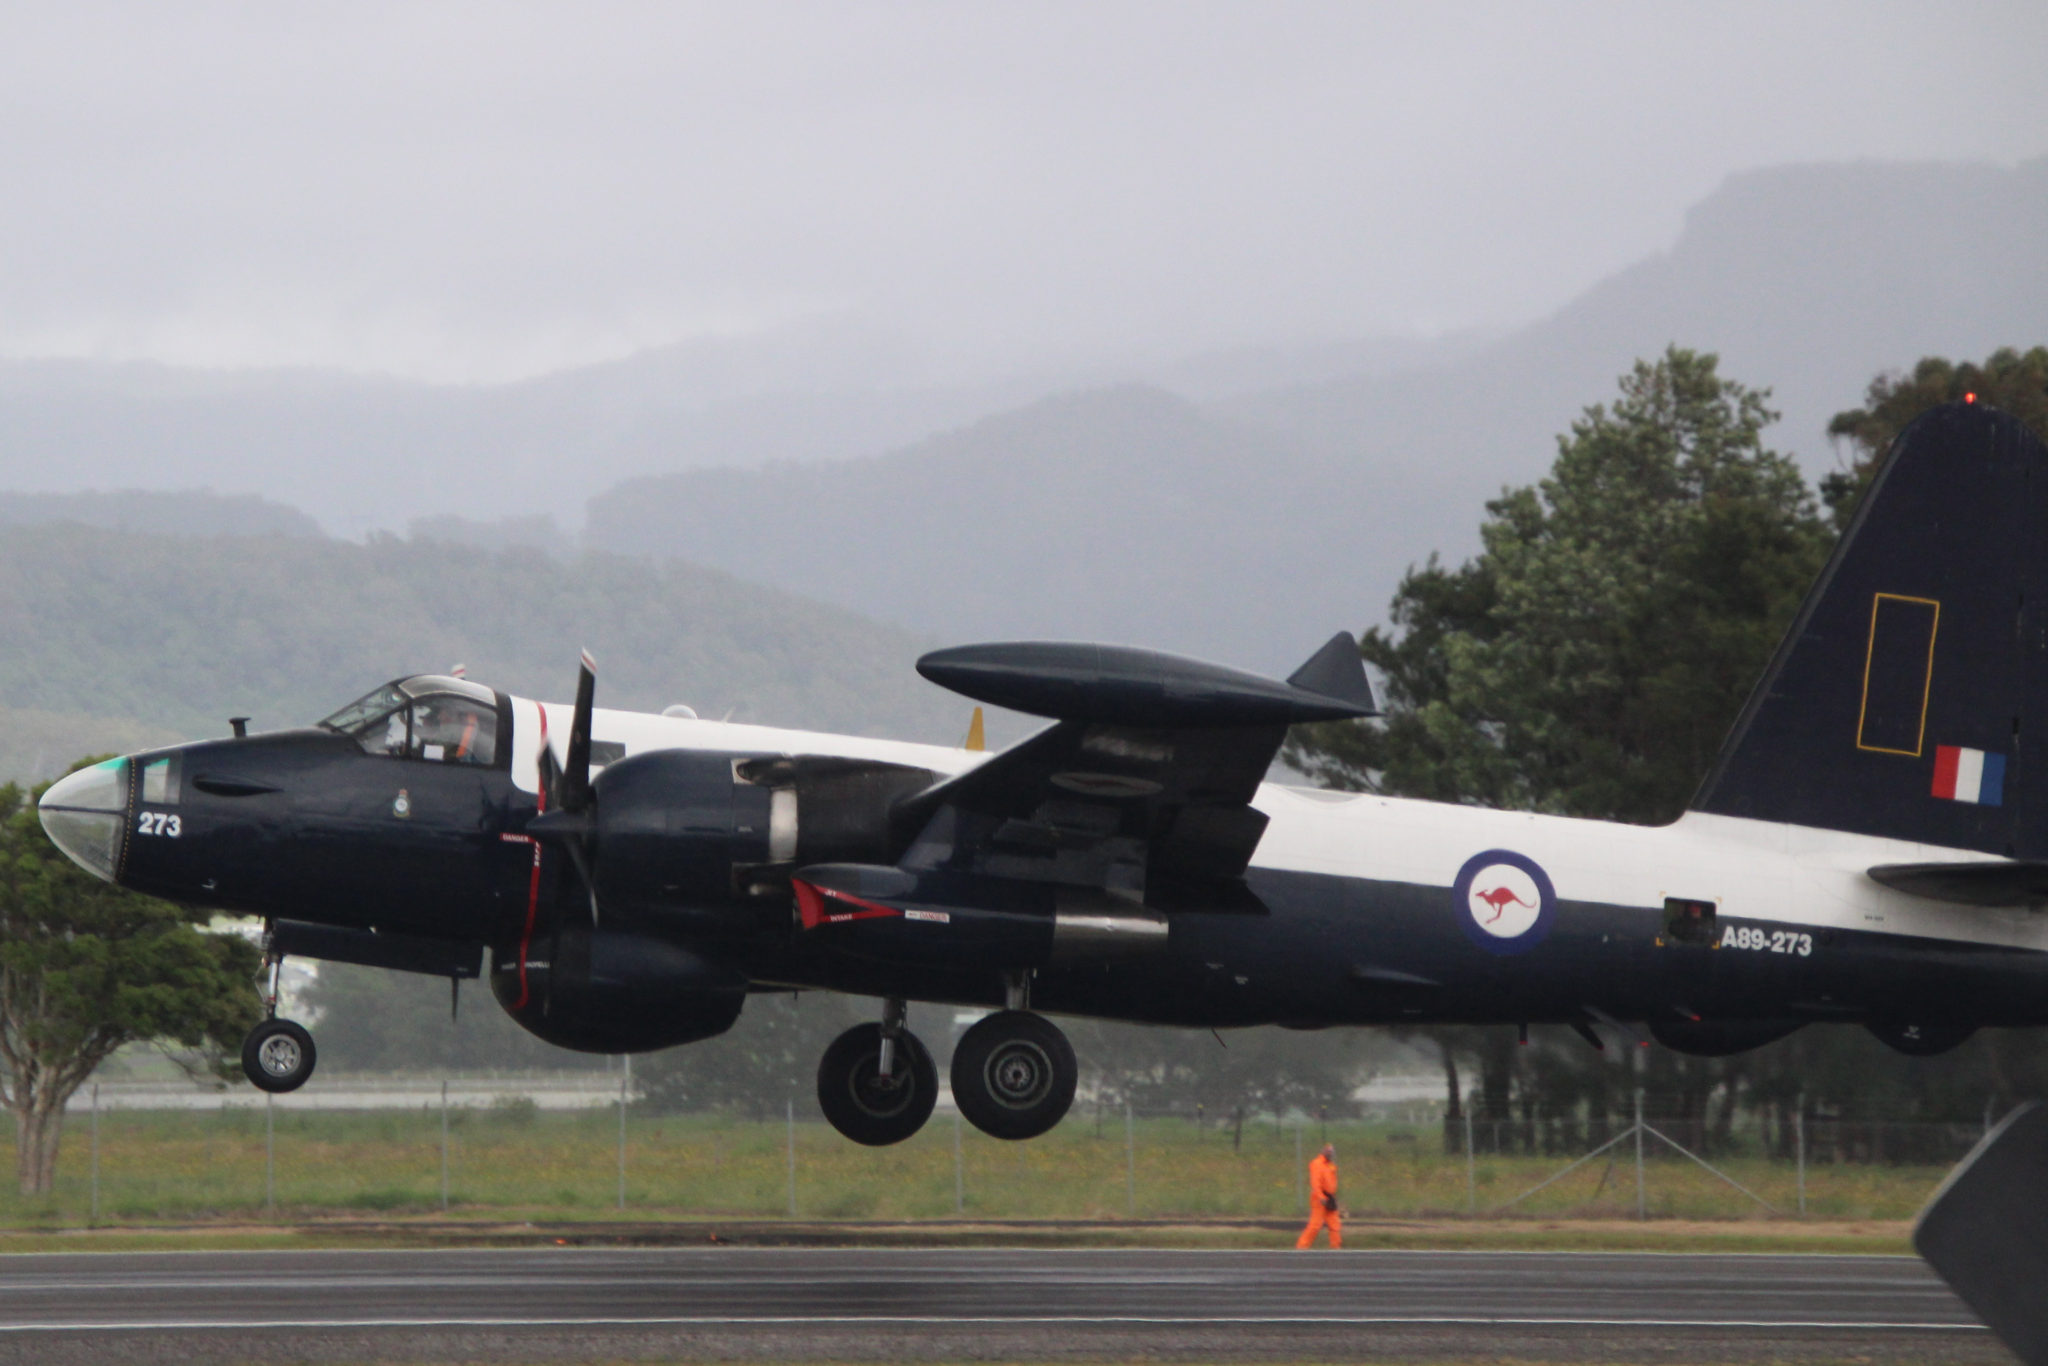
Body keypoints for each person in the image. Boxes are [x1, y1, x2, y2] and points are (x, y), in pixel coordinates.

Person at [1296, 1142, 1341, 1249]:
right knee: (1315, 1225)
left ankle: (1336, 1247)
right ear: (1323, 1151)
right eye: (1328, 1151)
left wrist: (1333, 1197)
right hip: (1319, 1198)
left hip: (1330, 1197)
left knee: (1334, 1224)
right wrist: (1321, 1197)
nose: (1330, 1153)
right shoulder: (1316, 1164)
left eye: (1332, 1151)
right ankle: (1301, 1247)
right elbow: (1315, 1182)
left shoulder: (1331, 1165)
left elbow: (1332, 1183)